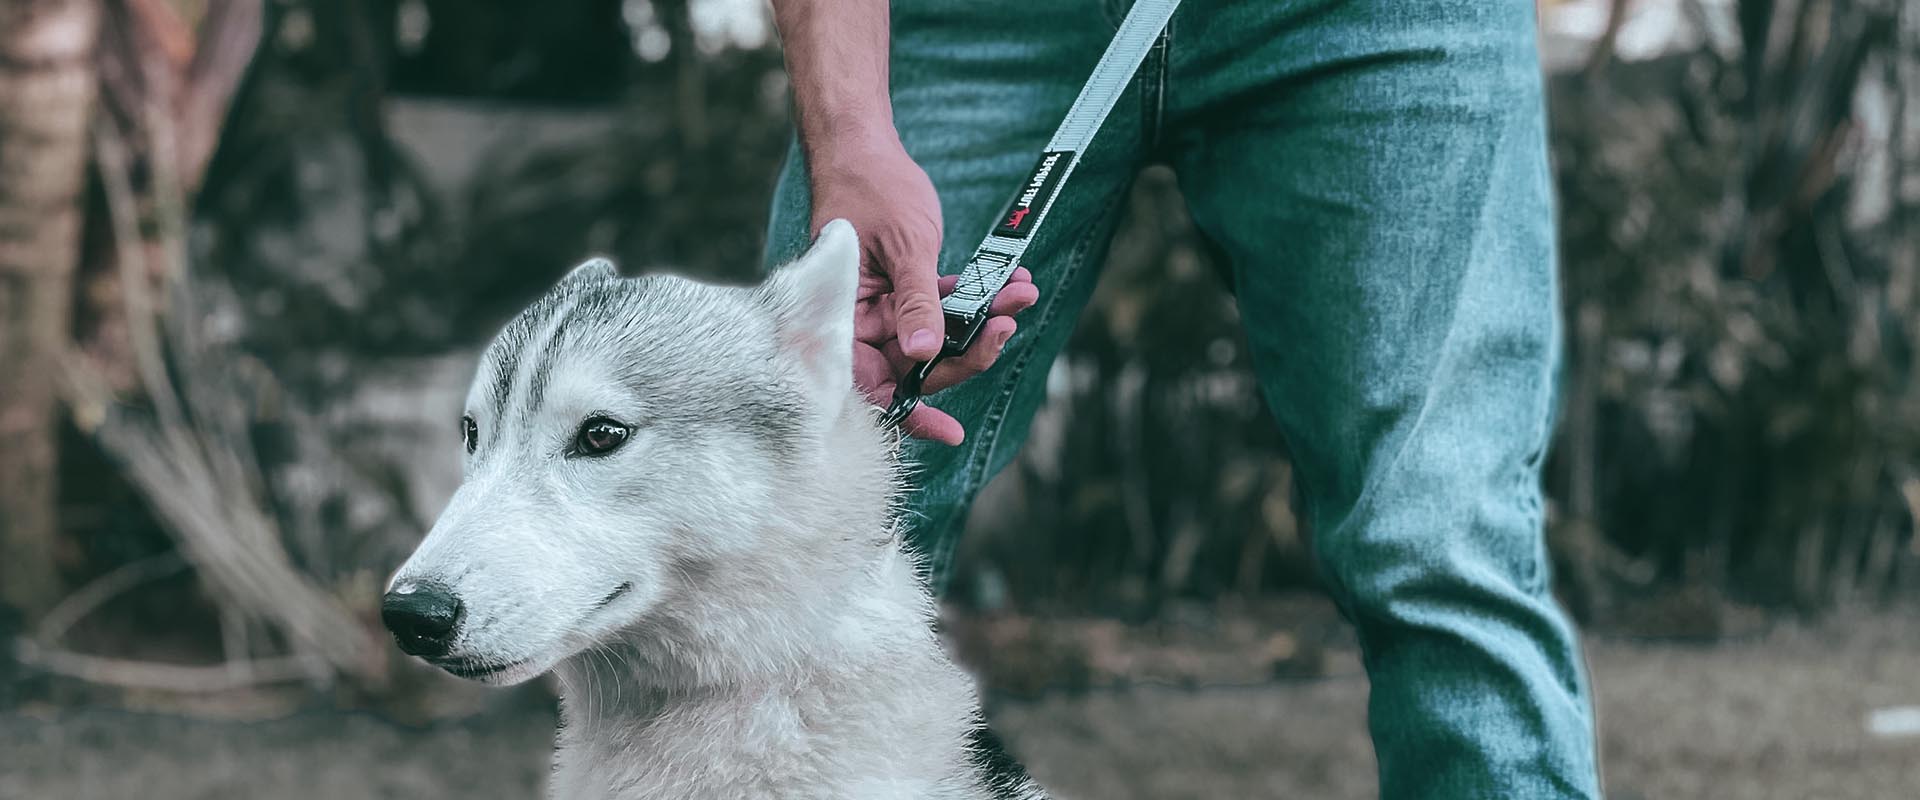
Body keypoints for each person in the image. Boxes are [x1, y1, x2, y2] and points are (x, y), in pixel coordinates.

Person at [761, 0, 1600, 796]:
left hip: (1369, 22)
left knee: (1440, 546)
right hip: (968, 20)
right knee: (796, 539)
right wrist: (850, 129)